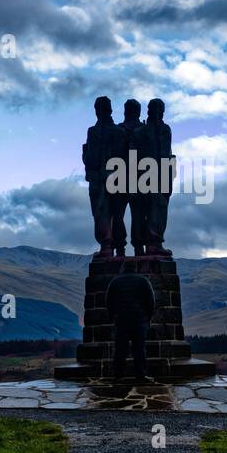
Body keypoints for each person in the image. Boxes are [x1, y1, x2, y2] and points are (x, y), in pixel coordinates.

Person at [108, 98, 151, 256]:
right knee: (136, 214)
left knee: (119, 214)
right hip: (138, 176)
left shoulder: (118, 129)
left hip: (121, 175)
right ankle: (137, 247)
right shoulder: (143, 129)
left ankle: (121, 247)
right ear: (138, 112)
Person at [106, 265, 155, 383]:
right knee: (139, 349)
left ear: (123, 269)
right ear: (135, 269)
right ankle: (140, 376)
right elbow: (150, 301)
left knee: (120, 349)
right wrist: (148, 317)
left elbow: (109, 301)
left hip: (121, 320)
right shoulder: (143, 280)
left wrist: (113, 317)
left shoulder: (115, 281)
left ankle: (118, 376)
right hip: (139, 320)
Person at [82, 96, 116, 258]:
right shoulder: (118, 131)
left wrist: (85, 152)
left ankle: (107, 245)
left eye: (98, 109)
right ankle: (116, 247)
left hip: (100, 178)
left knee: (101, 212)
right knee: (115, 213)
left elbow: (91, 158)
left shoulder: (94, 131)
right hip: (116, 177)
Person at [140, 97, 173, 256]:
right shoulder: (146, 131)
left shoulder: (164, 129)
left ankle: (154, 243)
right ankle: (153, 243)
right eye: (156, 109)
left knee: (158, 209)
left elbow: (166, 153)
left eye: (160, 110)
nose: (158, 113)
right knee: (154, 208)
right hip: (149, 174)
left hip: (160, 174)